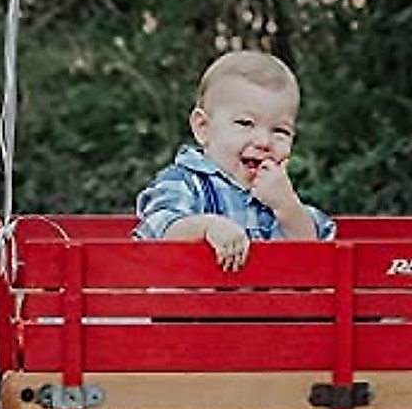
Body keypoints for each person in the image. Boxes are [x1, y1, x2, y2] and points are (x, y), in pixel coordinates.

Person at [133, 50, 335, 270]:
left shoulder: (278, 196)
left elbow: (316, 258)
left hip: (267, 304)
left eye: (280, 131)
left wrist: (287, 206)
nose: (264, 141)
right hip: (191, 303)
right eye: (245, 123)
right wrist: (206, 228)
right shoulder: (185, 181)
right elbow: (158, 228)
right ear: (203, 128)